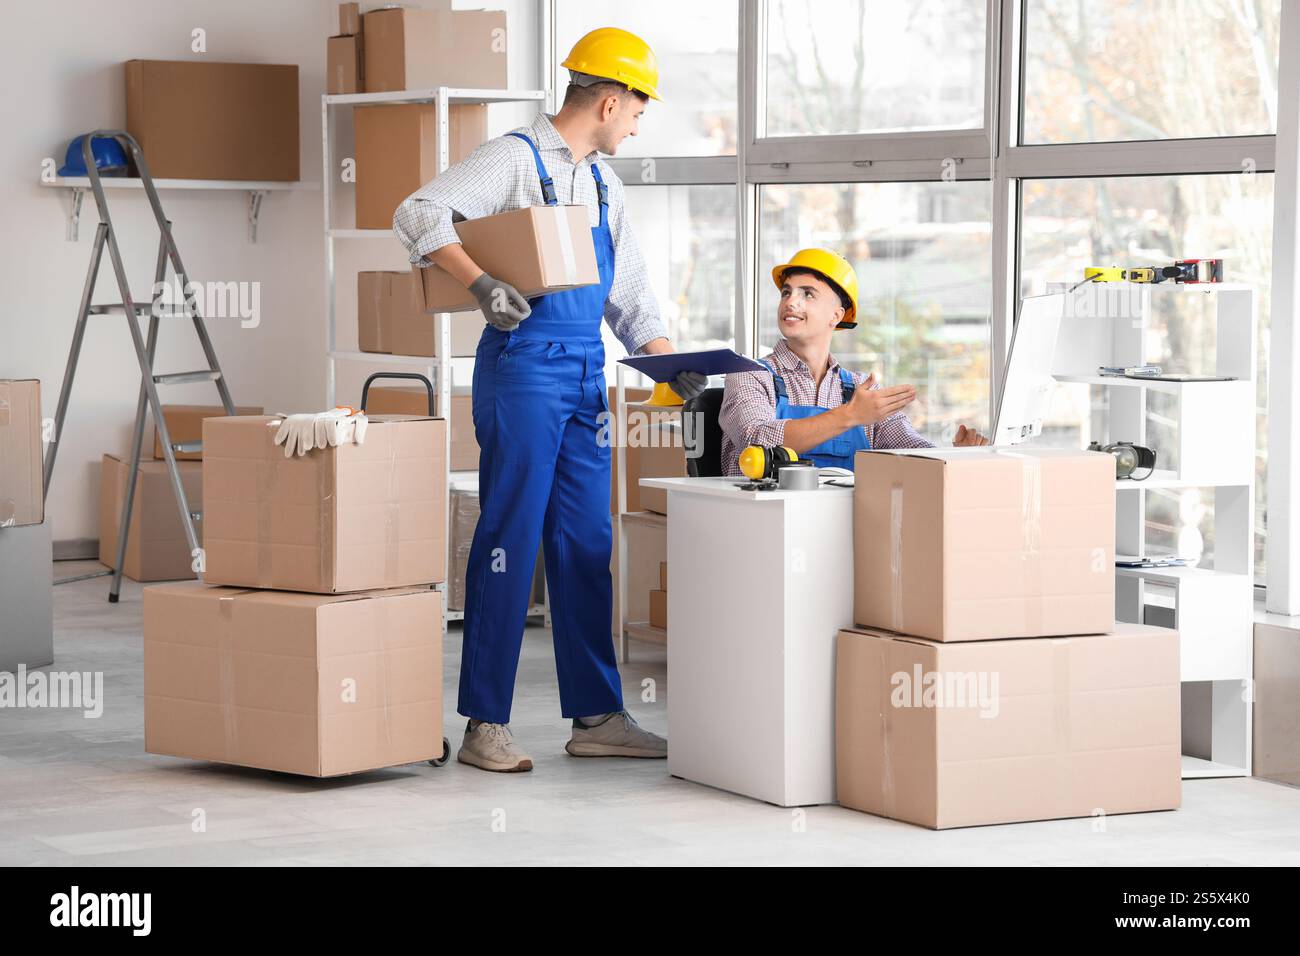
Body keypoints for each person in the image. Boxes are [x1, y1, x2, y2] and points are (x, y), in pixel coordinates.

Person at [394, 28, 706, 773]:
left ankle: (596, 715)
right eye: (637, 108)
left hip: (584, 376)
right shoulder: (512, 159)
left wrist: (675, 367)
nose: (637, 122)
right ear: (607, 100)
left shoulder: (605, 184)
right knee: (509, 540)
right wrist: (477, 281)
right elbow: (418, 212)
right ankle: (484, 724)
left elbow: (630, 297)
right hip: (523, 369)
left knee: (585, 544)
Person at [719, 248, 987, 474]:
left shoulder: (861, 390)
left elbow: (912, 452)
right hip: (764, 525)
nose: (791, 302)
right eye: (786, 292)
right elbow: (755, 441)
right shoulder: (749, 374)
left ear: (836, 316)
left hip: (845, 527)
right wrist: (850, 416)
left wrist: (956, 458)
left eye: (807, 294)